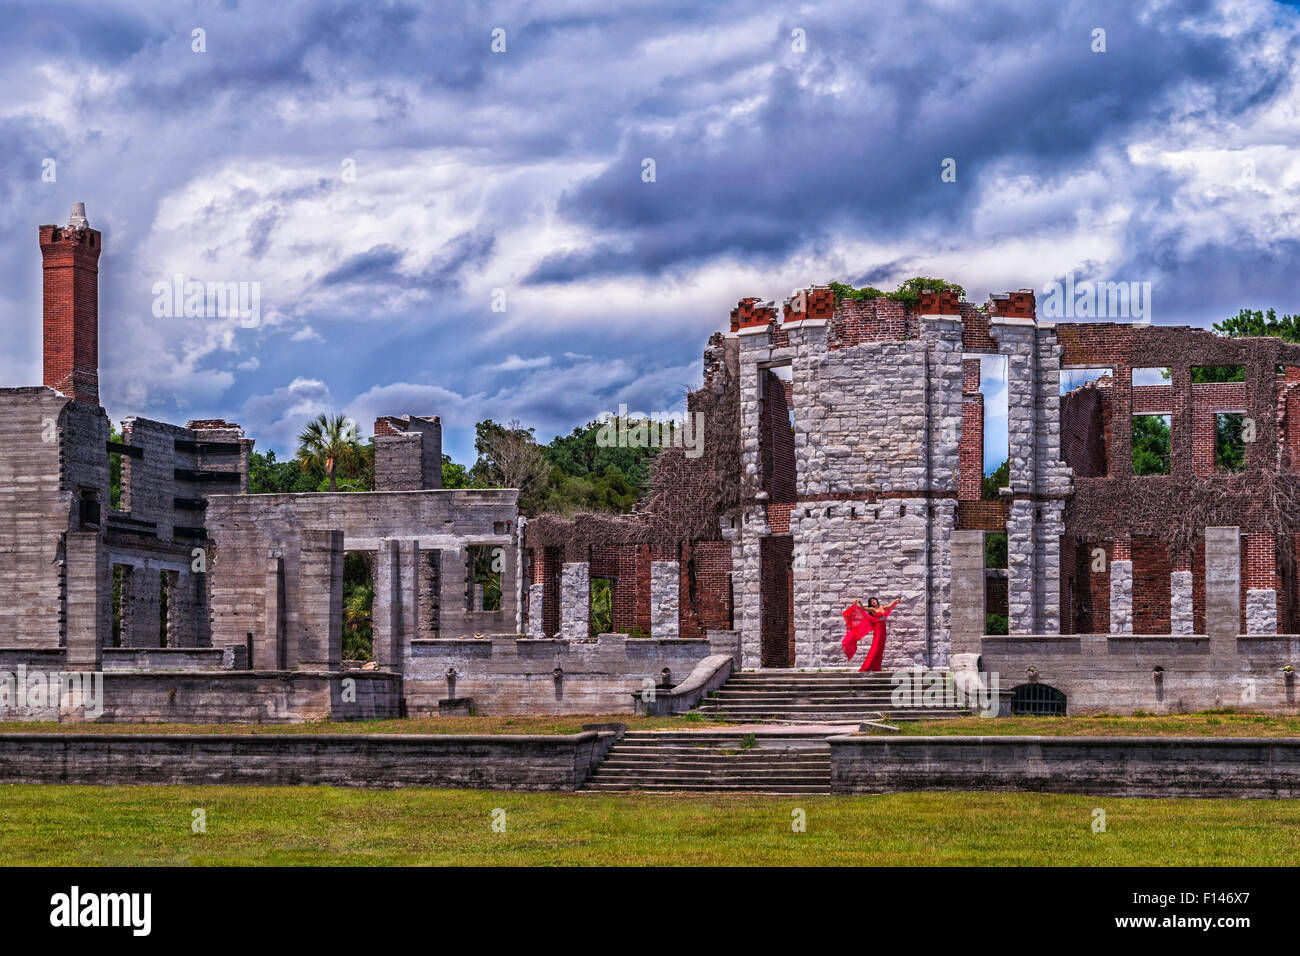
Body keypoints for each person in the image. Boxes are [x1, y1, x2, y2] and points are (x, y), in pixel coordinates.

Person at [859, 597, 900, 672]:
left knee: (880, 648)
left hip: (883, 630)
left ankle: (876, 667)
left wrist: (895, 601)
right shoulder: (873, 609)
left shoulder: (882, 607)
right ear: (871, 604)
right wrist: (860, 603)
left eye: (874, 600)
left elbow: (889, 606)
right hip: (878, 630)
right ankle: (867, 666)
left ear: (876, 600)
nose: (873, 601)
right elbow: (864, 609)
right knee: (875, 647)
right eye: (871, 601)